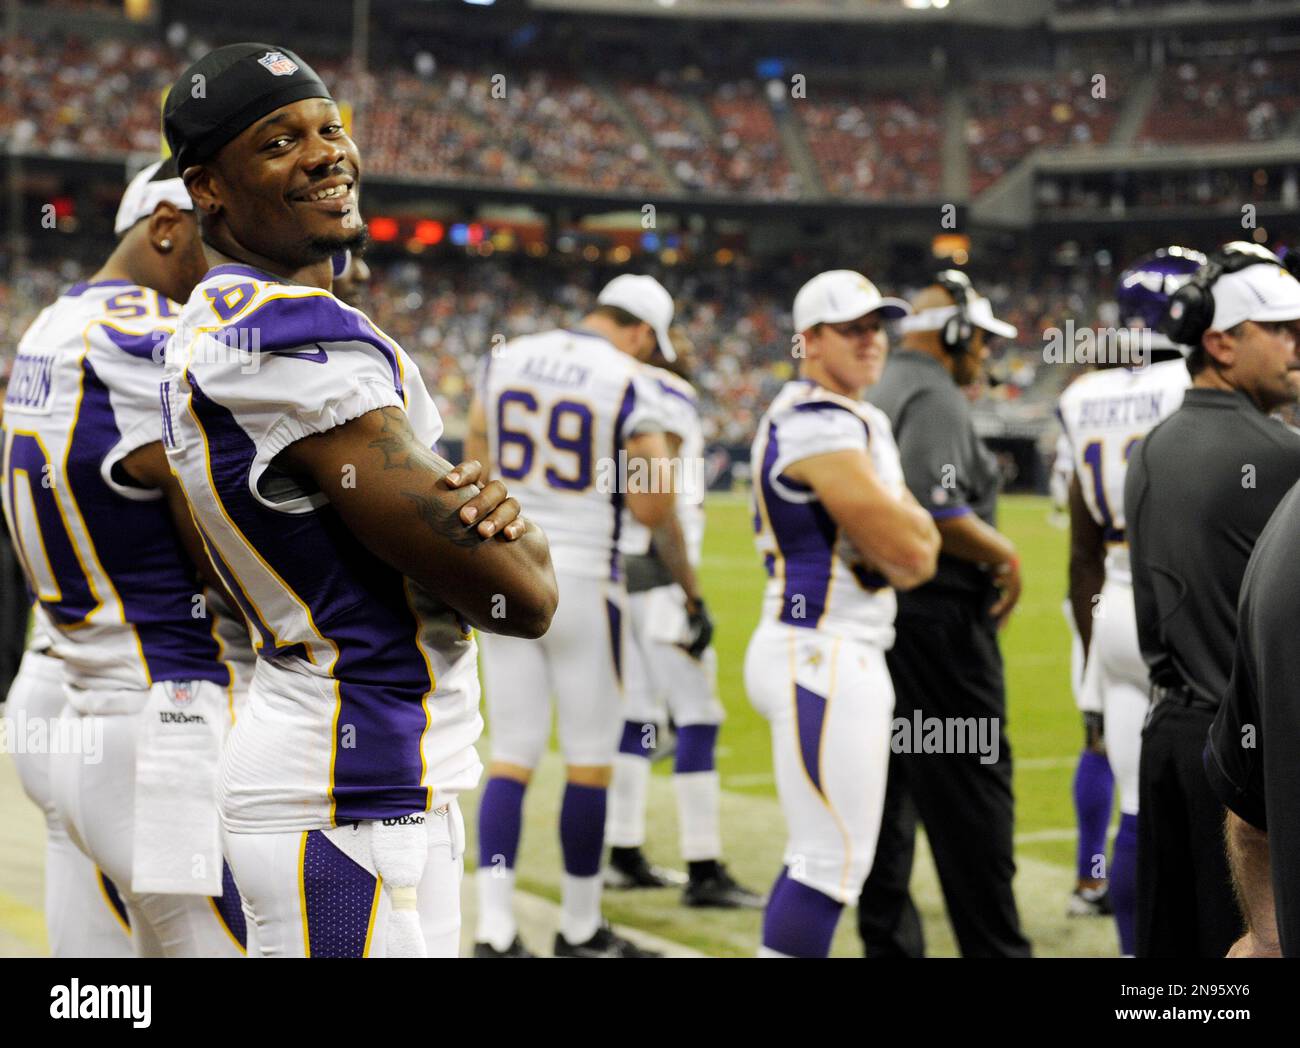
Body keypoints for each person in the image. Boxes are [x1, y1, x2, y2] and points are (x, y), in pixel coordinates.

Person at [160, 42, 556, 958]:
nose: (326, 151)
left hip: (379, 780)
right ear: (209, 187)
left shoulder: (233, 323)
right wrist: (507, 532)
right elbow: (523, 595)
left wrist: (484, 531)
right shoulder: (279, 331)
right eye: (279, 140)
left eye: (332, 126)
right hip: (340, 791)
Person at [0, 159, 253, 956]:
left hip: (76, 690)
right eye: (218, 247)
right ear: (167, 226)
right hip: (159, 715)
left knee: (108, 981)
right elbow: (225, 540)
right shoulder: (144, 339)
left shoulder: (54, 323)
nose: (228, 276)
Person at [466, 274, 702, 957]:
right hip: (583, 579)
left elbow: (474, 457)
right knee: (590, 759)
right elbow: (655, 504)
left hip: (504, 570)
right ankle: (578, 925)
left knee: (509, 756)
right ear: (639, 332)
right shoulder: (629, 378)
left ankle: (494, 927)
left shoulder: (505, 356)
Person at [746, 270, 939, 958]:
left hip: (831, 647)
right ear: (808, 340)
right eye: (850, 328)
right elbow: (912, 554)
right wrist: (907, 529)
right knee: (830, 864)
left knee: (823, 857)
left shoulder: (848, 416)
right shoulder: (815, 420)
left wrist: (907, 533)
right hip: (822, 648)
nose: (871, 340)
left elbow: (911, 546)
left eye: (876, 325)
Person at [1125, 241, 1300, 957]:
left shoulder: (1154, 444)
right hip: (1236, 769)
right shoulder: (1281, 454)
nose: (1298, 344)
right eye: (1282, 329)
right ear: (1220, 342)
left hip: (1164, 738)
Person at [859, 270, 1031, 958]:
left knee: (888, 796)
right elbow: (939, 503)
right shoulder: (932, 393)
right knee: (972, 799)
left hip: (886, 621)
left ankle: (890, 947)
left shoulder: (880, 385)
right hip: (942, 625)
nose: (985, 354)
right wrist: (1005, 555)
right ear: (953, 333)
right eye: (981, 340)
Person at [1057, 247, 1203, 952]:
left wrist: (1092, 643)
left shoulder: (1082, 394)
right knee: (1224, 810)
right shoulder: (1195, 382)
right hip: (1186, 605)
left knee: (1138, 811)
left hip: (1112, 598)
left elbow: (1079, 535)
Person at [606, 326, 761, 909]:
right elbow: (658, 503)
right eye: (676, 339)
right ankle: (703, 867)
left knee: (639, 717)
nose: (691, 350)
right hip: (655, 576)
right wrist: (692, 595)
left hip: (618, 571)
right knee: (699, 716)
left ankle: (623, 853)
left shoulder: (616, 390)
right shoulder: (661, 395)